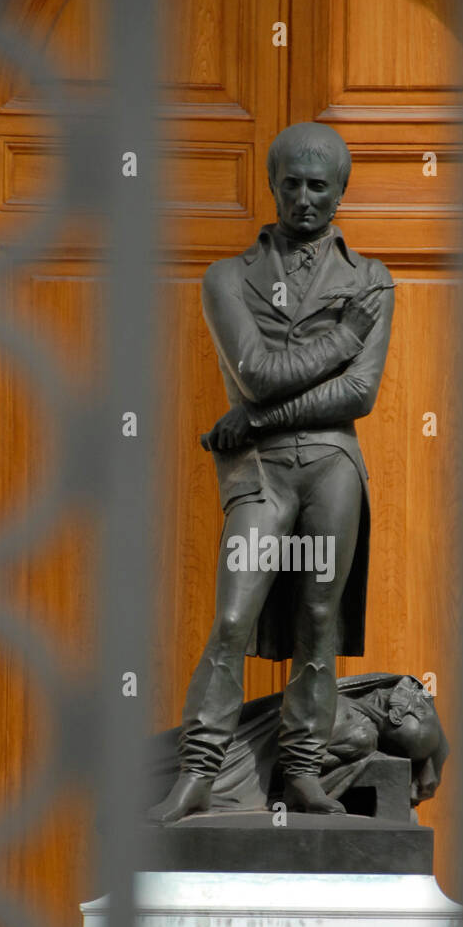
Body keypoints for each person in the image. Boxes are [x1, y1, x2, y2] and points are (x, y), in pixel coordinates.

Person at [150, 122, 394, 823]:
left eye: (320, 185)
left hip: (331, 466)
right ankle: (199, 771)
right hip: (261, 475)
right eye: (292, 182)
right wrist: (343, 338)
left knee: (318, 621)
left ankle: (304, 771)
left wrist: (254, 419)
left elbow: (361, 395)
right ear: (272, 184)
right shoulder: (227, 277)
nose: (305, 197)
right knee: (233, 616)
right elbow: (254, 374)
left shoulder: (372, 278)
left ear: (341, 191)